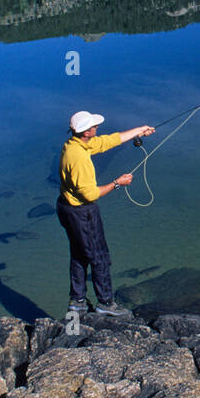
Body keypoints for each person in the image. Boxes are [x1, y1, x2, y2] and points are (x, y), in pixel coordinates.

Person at [57, 111, 155, 316]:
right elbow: (91, 194)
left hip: (66, 208)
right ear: (86, 131)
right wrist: (118, 183)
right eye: (94, 126)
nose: (97, 128)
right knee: (99, 256)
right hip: (82, 213)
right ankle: (105, 303)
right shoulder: (79, 159)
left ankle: (78, 301)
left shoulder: (74, 144)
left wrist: (139, 130)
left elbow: (107, 142)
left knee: (79, 254)